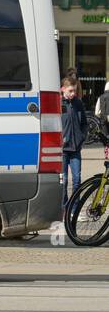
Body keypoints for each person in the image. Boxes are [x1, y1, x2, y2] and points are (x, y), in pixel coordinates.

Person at [60, 74, 88, 216]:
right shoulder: (58, 104)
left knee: (77, 180)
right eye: (70, 91)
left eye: (75, 91)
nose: (73, 93)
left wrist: (82, 137)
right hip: (63, 150)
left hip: (75, 148)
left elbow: (84, 123)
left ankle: (75, 210)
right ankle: (64, 209)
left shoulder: (78, 103)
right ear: (62, 89)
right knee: (63, 181)